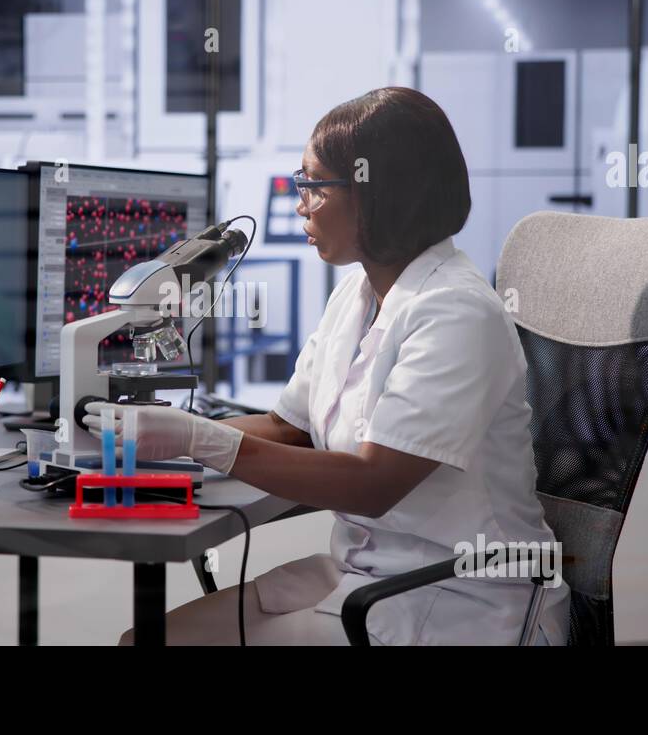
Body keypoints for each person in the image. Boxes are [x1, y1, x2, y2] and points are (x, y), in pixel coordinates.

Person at [87, 87, 570, 646]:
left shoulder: (457, 312)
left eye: (314, 186)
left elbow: (373, 484)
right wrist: (140, 439)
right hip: (367, 577)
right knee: (141, 641)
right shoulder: (357, 294)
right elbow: (285, 429)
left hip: (463, 599)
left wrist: (199, 440)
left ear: (378, 194)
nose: (301, 204)